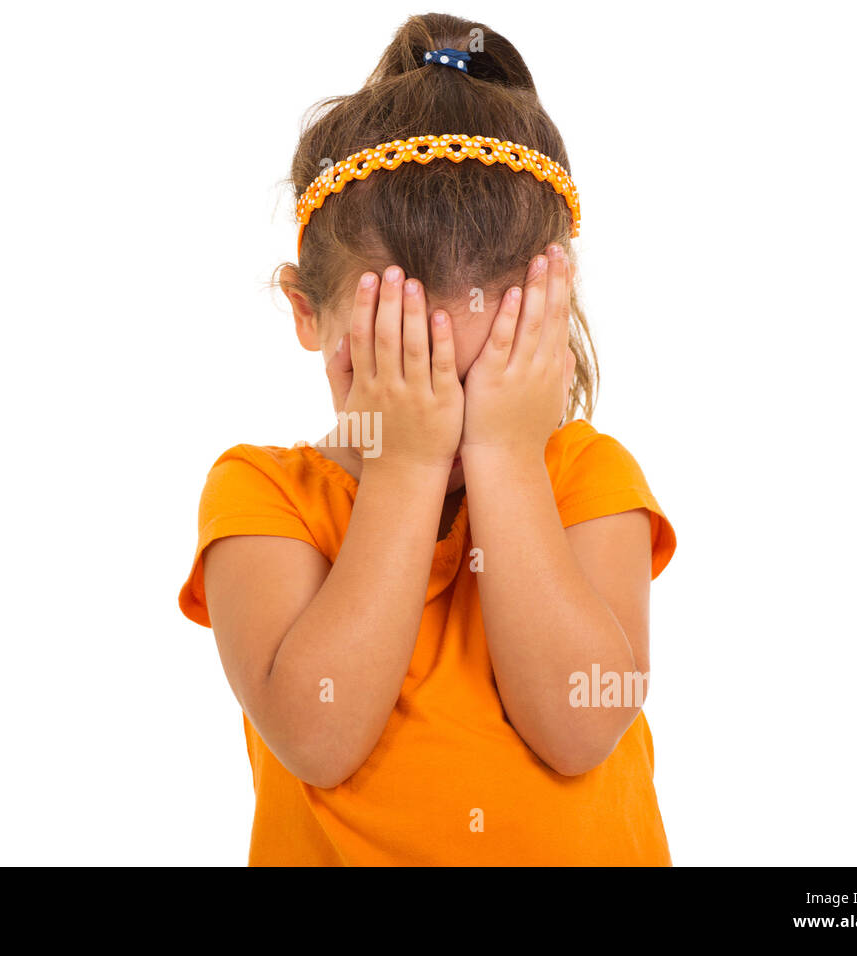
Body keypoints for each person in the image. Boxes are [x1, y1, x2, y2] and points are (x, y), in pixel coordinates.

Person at [178, 13, 677, 866]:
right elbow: (318, 736)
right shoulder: (261, 497)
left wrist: (506, 458)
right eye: (404, 364)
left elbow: (582, 723)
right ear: (307, 314)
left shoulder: (586, 478)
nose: (440, 413)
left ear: (549, 328)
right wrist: (404, 467)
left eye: (486, 377)